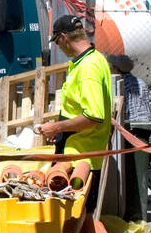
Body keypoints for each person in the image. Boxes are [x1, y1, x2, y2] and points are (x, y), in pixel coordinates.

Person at [40, 15, 112, 212]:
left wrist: (56, 127)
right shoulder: (92, 59)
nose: (58, 47)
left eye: (56, 42)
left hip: (80, 157)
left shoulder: (88, 68)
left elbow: (93, 116)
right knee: (80, 220)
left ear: (64, 37)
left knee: (74, 218)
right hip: (78, 152)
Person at [108, 53, 151, 217]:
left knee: (135, 167)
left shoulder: (119, 84)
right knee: (144, 164)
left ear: (116, 69)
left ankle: (139, 206)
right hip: (146, 127)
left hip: (132, 129)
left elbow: (124, 108)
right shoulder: (141, 82)